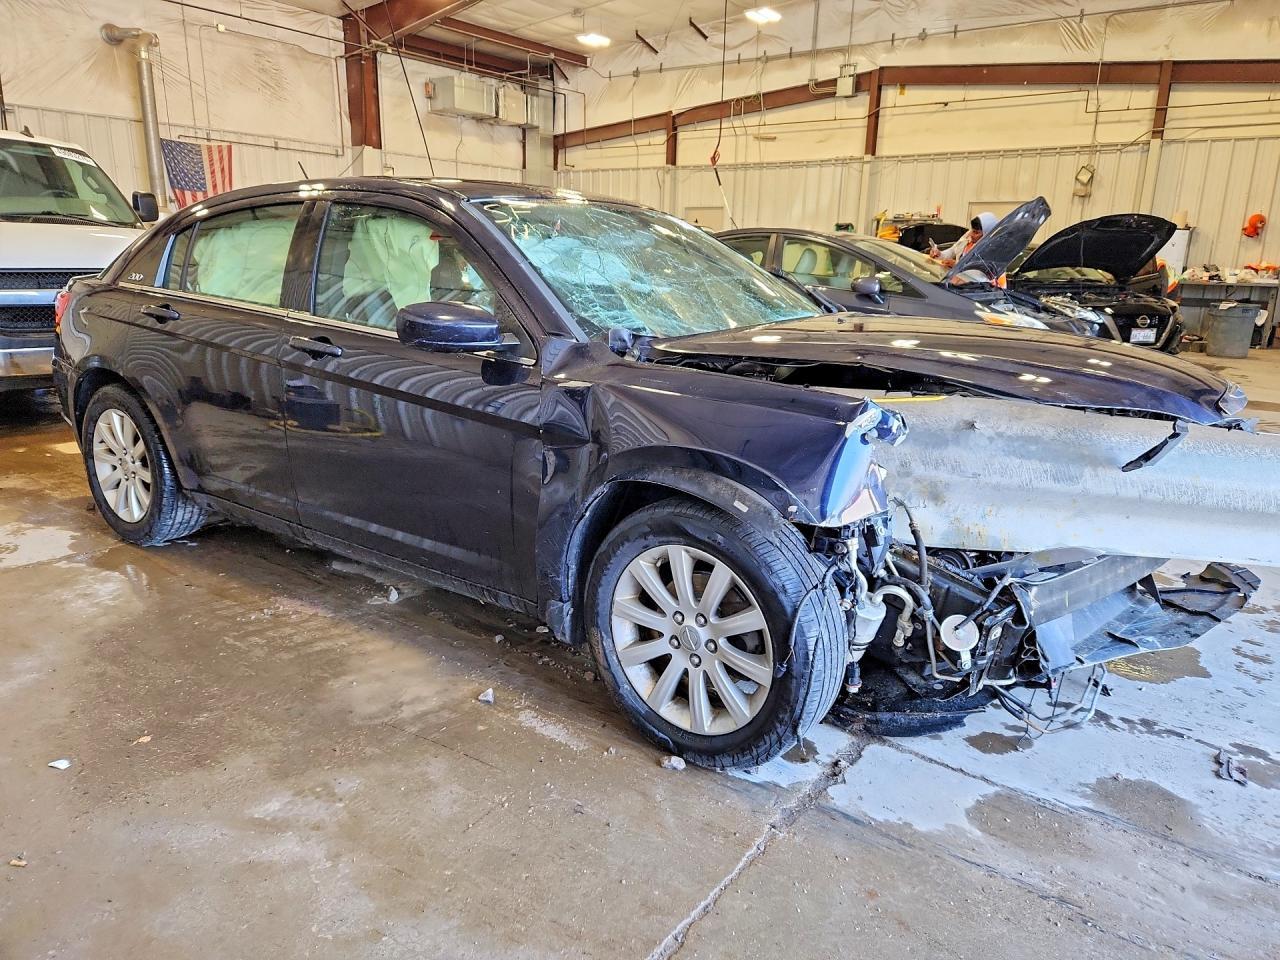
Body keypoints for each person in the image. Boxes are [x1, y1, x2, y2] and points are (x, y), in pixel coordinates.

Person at [929, 211, 998, 268]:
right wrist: (940, 254)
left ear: (987, 234)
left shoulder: (989, 251)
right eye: (972, 230)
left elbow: (979, 274)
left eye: (976, 232)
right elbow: (953, 250)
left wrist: (957, 266)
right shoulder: (968, 235)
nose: (971, 234)